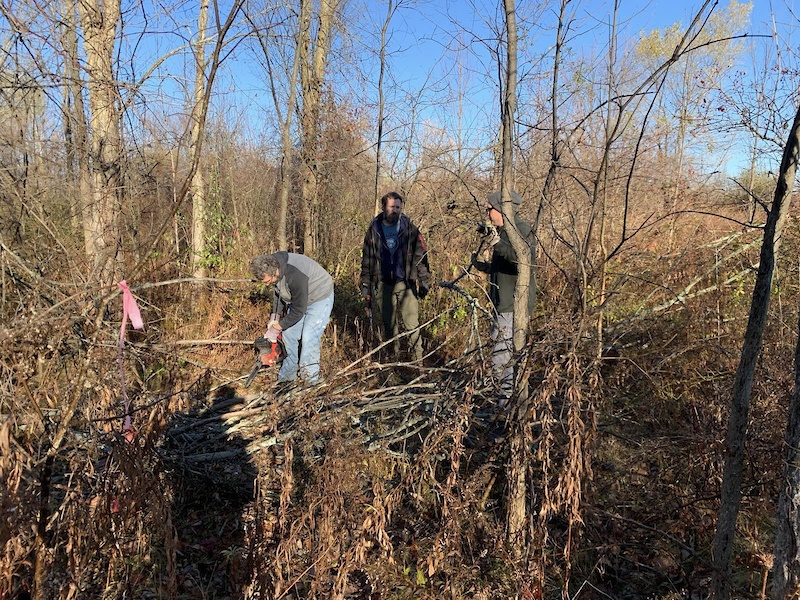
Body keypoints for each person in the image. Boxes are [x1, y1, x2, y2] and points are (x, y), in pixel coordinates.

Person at [471, 190, 536, 406]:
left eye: (489, 209)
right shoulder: (505, 231)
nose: (487, 213)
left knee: (502, 362)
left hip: (512, 307)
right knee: (502, 360)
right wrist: (483, 266)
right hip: (502, 306)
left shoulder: (521, 230)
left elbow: (521, 260)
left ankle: (504, 414)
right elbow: (504, 267)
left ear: (501, 209)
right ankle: (507, 409)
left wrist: (496, 242)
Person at [360, 191, 431, 362]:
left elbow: (421, 256)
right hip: (382, 284)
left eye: (398, 207)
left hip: (406, 284)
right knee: (389, 326)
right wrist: (365, 287)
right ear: (384, 207)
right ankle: (394, 360)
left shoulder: (410, 229)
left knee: (412, 325)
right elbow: (367, 261)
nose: (395, 210)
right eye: (392, 207)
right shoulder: (373, 230)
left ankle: (417, 362)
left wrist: (424, 281)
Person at [250, 252, 334, 390]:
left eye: (267, 281)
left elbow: (298, 311)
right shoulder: (272, 265)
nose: (266, 285)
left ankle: (311, 380)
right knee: (289, 335)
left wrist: (277, 327)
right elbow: (278, 292)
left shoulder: (295, 275)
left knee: (309, 337)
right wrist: (275, 316)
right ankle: (287, 378)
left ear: (274, 272)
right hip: (298, 299)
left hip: (319, 296)